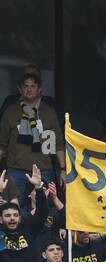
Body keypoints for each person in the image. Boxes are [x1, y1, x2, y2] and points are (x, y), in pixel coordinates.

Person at [0, 73, 62, 202]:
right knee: (14, 208)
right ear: (20, 89)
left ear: (39, 89)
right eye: (26, 86)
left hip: (43, 170)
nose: (29, 89)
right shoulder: (10, 112)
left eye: (33, 86)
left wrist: (63, 169)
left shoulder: (49, 112)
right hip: (16, 170)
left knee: (44, 208)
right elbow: (2, 145)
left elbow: (58, 144)